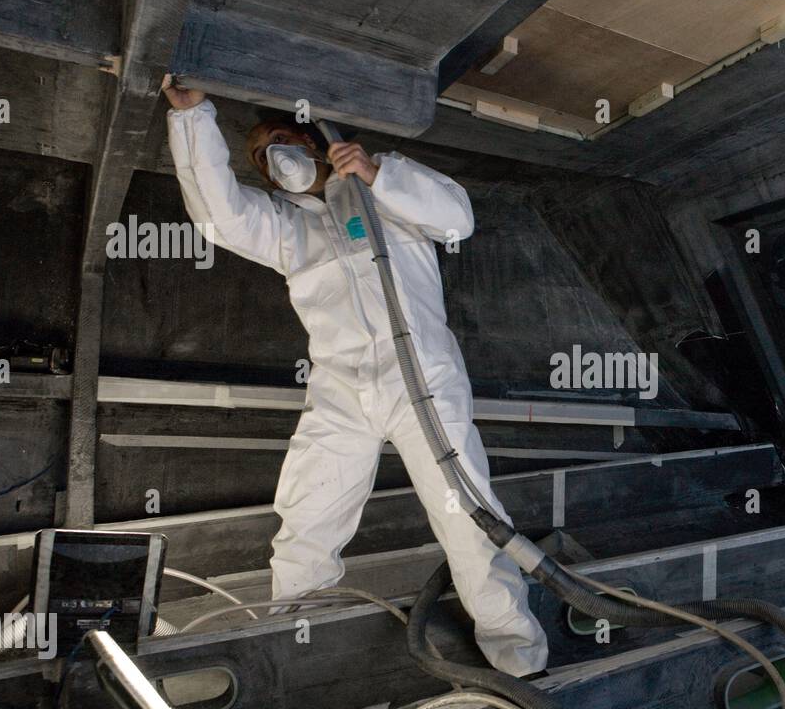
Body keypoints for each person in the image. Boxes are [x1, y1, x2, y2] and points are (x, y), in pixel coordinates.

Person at [160, 75, 547, 677]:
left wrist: (377, 175)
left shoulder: (383, 192)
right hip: (340, 388)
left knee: (466, 517)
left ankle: (519, 657)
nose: (274, 158)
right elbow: (219, 218)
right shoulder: (288, 229)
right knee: (308, 514)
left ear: (316, 141)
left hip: (421, 380)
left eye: (281, 140)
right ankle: (293, 644)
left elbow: (457, 219)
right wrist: (192, 118)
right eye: (262, 155)